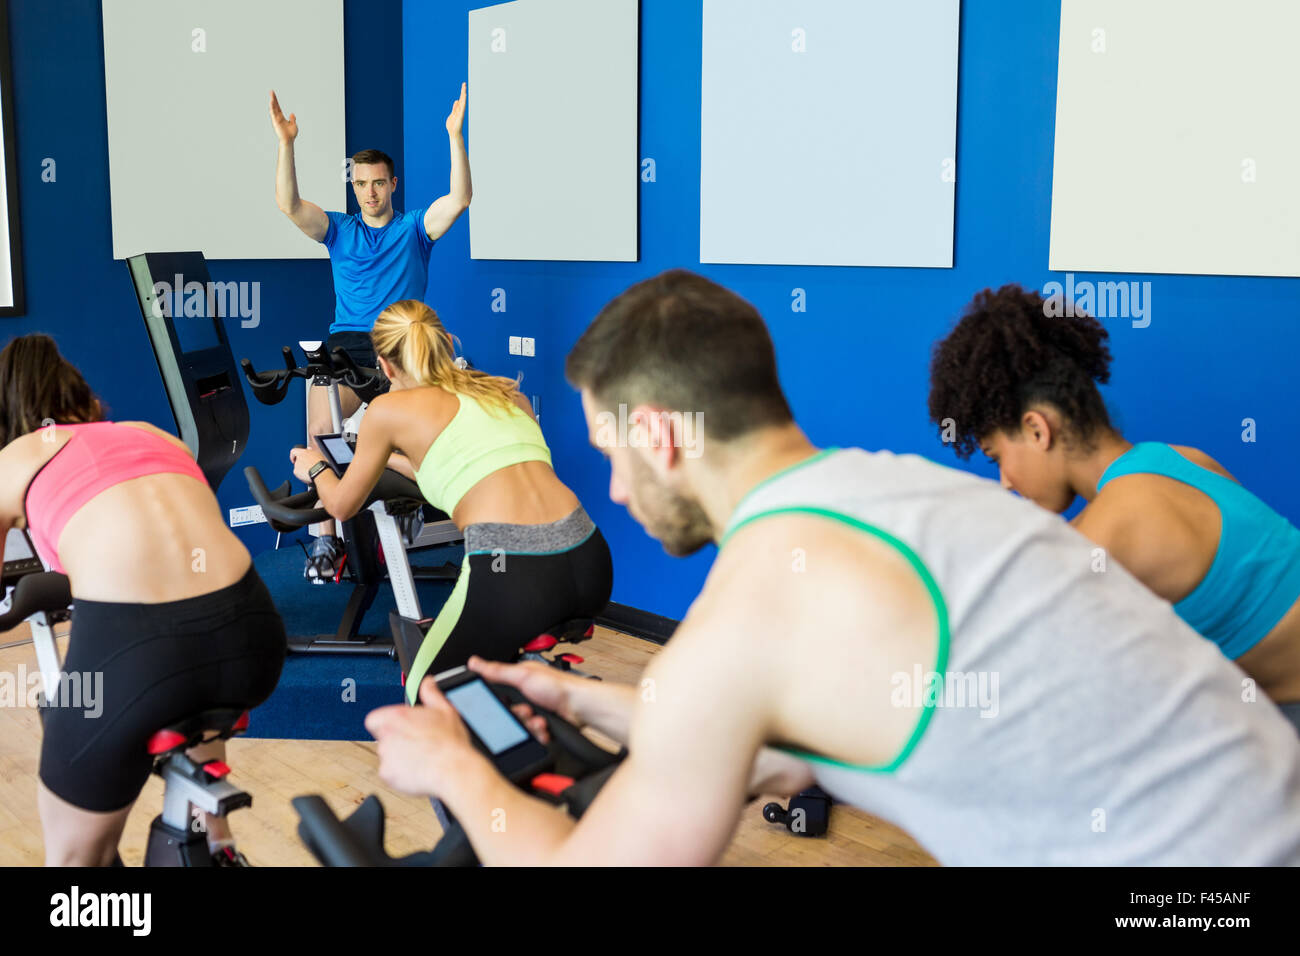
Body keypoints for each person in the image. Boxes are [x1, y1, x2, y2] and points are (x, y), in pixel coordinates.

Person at [364, 269, 1300, 865]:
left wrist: (454, 769)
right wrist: (595, 703)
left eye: (612, 450)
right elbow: (817, 733)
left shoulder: (753, 607)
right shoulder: (894, 493)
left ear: (658, 433)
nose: (610, 487)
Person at [926, 284, 1300, 732]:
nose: (1004, 481)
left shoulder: (1107, 532)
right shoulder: (1180, 458)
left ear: (1036, 429)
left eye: (996, 457)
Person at [0, 335, 286, 866]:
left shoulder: (15, 457)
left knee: (72, 860)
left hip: (141, 653)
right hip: (252, 633)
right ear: (80, 396)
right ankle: (211, 839)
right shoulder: (152, 435)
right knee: (200, 779)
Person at [288, 300, 612, 704]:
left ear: (385, 366)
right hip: (590, 557)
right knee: (489, 674)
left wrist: (316, 466)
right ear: (445, 344)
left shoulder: (388, 409)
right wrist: (389, 458)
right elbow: (470, 466)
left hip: (518, 572)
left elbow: (340, 506)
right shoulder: (505, 392)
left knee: (426, 693)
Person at [269, 83, 472, 582]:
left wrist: (454, 136)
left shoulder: (414, 229)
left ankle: (422, 500)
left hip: (405, 343)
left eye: (378, 183)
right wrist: (286, 143)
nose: (369, 192)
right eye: (361, 183)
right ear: (354, 186)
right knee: (322, 415)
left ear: (393, 184)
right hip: (349, 343)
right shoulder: (339, 230)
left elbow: (460, 199)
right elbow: (289, 205)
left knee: (422, 419)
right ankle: (325, 542)